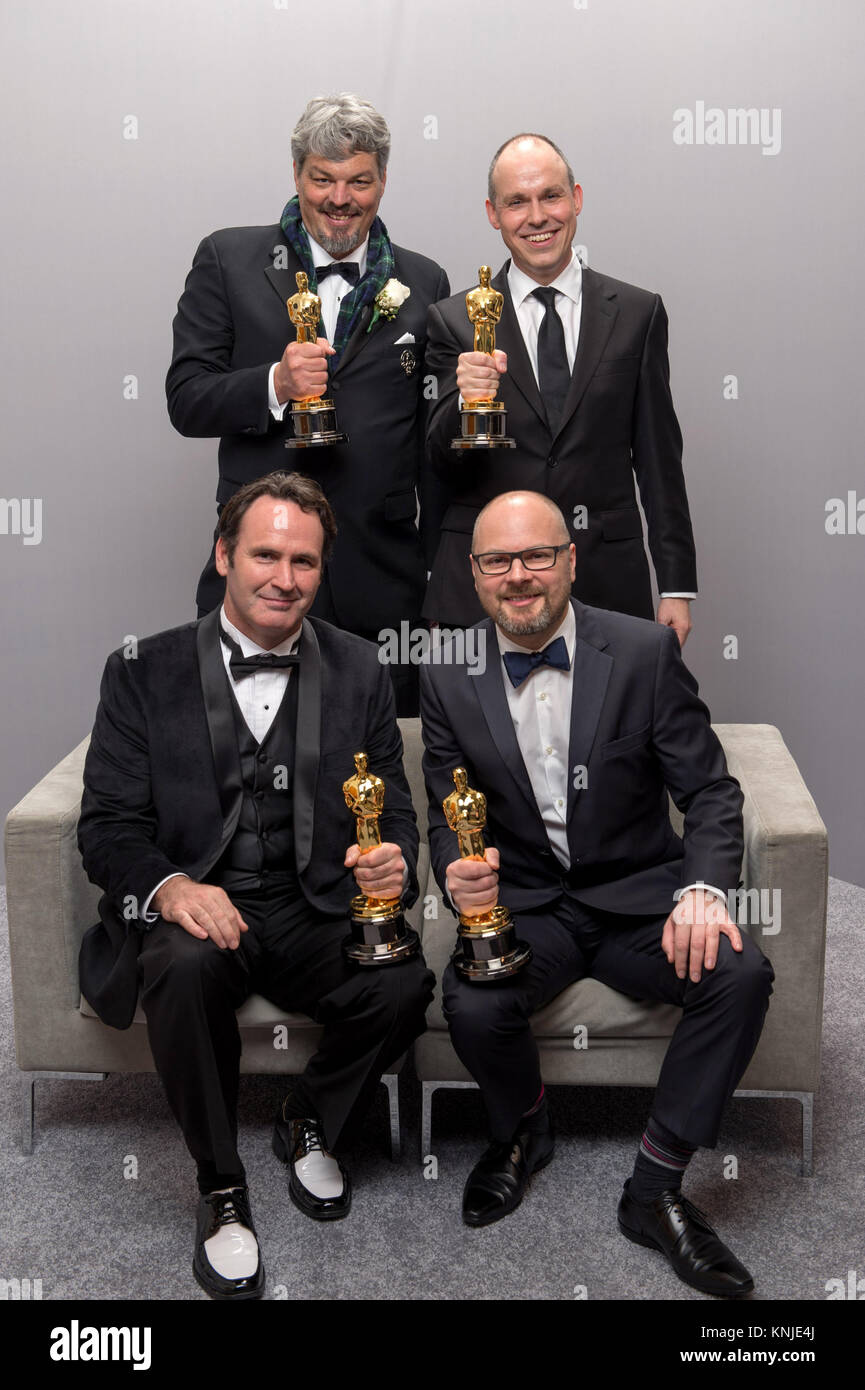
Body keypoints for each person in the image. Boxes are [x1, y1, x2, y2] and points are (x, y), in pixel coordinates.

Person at [77, 471, 435, 1301]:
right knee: (183, 964)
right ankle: (220, 1186)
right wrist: (169, 887)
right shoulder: (141, 669)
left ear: (321, 570)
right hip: (200, 902)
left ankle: (308, 1115)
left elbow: (400, 807)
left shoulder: (359, 668)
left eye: (303, 561)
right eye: (265, 555)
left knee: (404, 977)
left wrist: (396, 861)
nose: (284, 578)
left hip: (311, 903)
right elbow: (107, 828)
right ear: (224, 556)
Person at [419, 490, 773, 1298]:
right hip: (531, 907)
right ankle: (523, 1126)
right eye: (496, 562)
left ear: (570, 561)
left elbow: (711, 792)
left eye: (537, 556)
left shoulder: (644, 653)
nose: (518, 576)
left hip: (639, 898)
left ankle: (653, 1189)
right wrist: (454, 868)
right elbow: (449, 807)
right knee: (470, 1000)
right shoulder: (445, 670)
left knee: (740, 974)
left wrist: (703, 891)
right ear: (473, 576)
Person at [166, 93, 450, 715]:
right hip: (264, 571)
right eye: (322, 179)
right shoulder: (227, 258)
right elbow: (186, 399)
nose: (339, 199)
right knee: (244, 757)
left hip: (386, 577)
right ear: (297, 174)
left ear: (383, 182)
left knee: (382, 769)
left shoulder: (425, 281)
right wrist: (273, 383)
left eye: (359, 181)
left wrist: (440, 579)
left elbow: (432, 442)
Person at [423, 133, 697, 647]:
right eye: (516, 202)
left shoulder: (638, 313)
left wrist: (677, 586)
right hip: (487, 589)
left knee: (614, 726)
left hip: (608, 580)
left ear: (576, 198)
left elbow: (660, 461)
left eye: (550, 196)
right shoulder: (454, 320)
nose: (537, 216)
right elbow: (437, 465)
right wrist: (466, 404)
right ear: (492, 213)